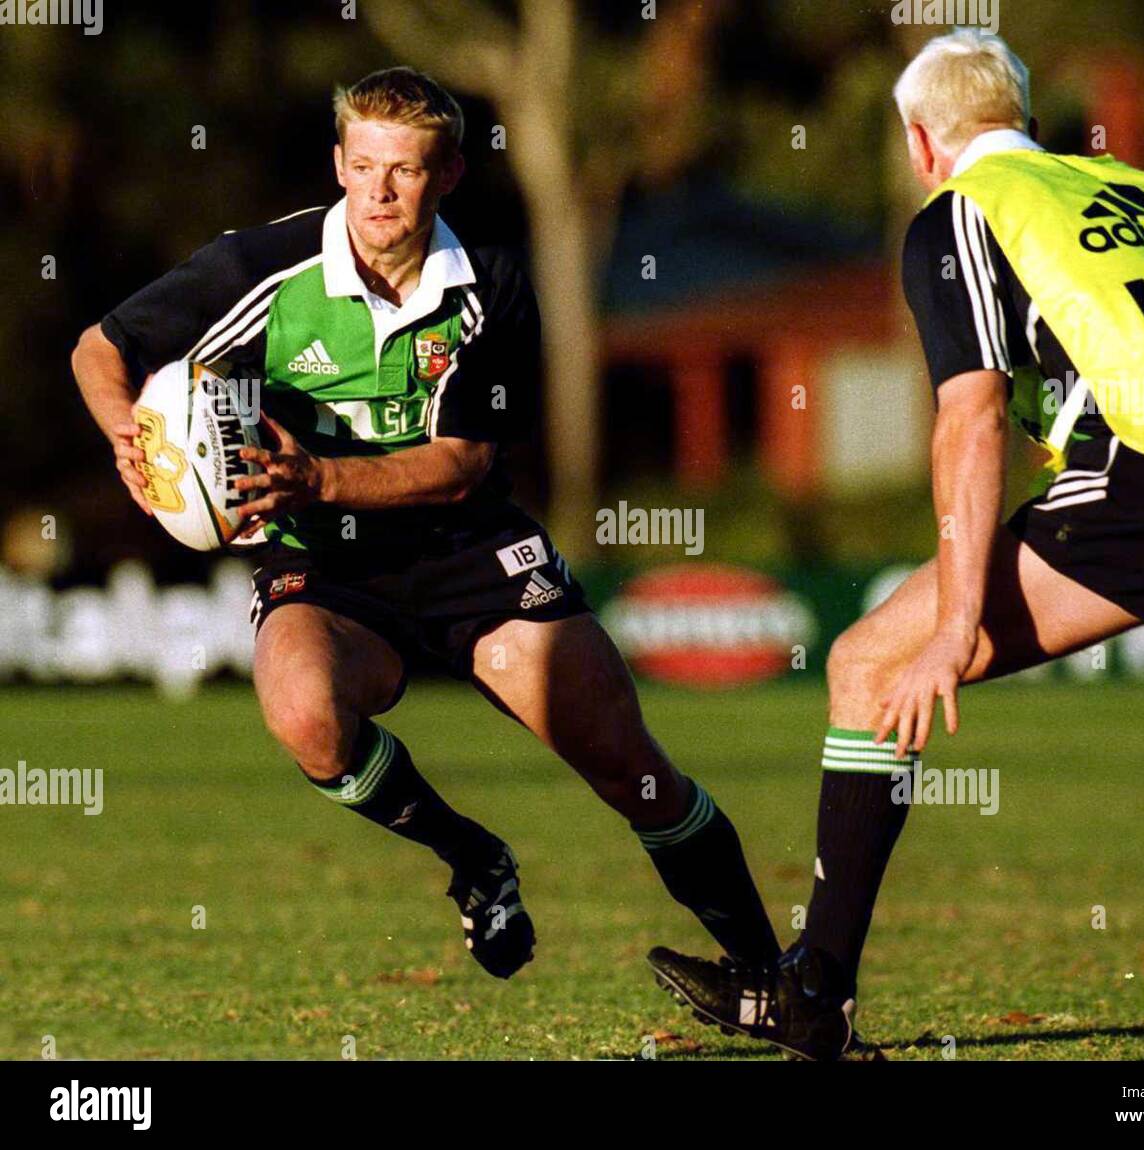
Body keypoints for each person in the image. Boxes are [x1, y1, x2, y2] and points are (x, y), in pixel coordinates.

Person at [647, 29, 1144, 1061]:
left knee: (871, 665)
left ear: (920, 144)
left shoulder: (961, 211)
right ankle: (811, 987)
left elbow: (971, 416)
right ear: (1026, 120)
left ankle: (814, 995)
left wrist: (955, 626)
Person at [72, 66, 779, 986]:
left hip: (469, 550)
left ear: (447, 175)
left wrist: (316, 477)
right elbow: (100, 348)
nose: (379, 191)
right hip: (325, 565)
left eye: (404, 170)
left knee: (628, 767)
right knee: (306, 713)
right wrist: (133, 443)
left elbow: (462, 466)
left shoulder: (493, 284)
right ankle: (473, 858)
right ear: (338, 164)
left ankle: (777, 981)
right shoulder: (257, 266)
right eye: (363, 166)